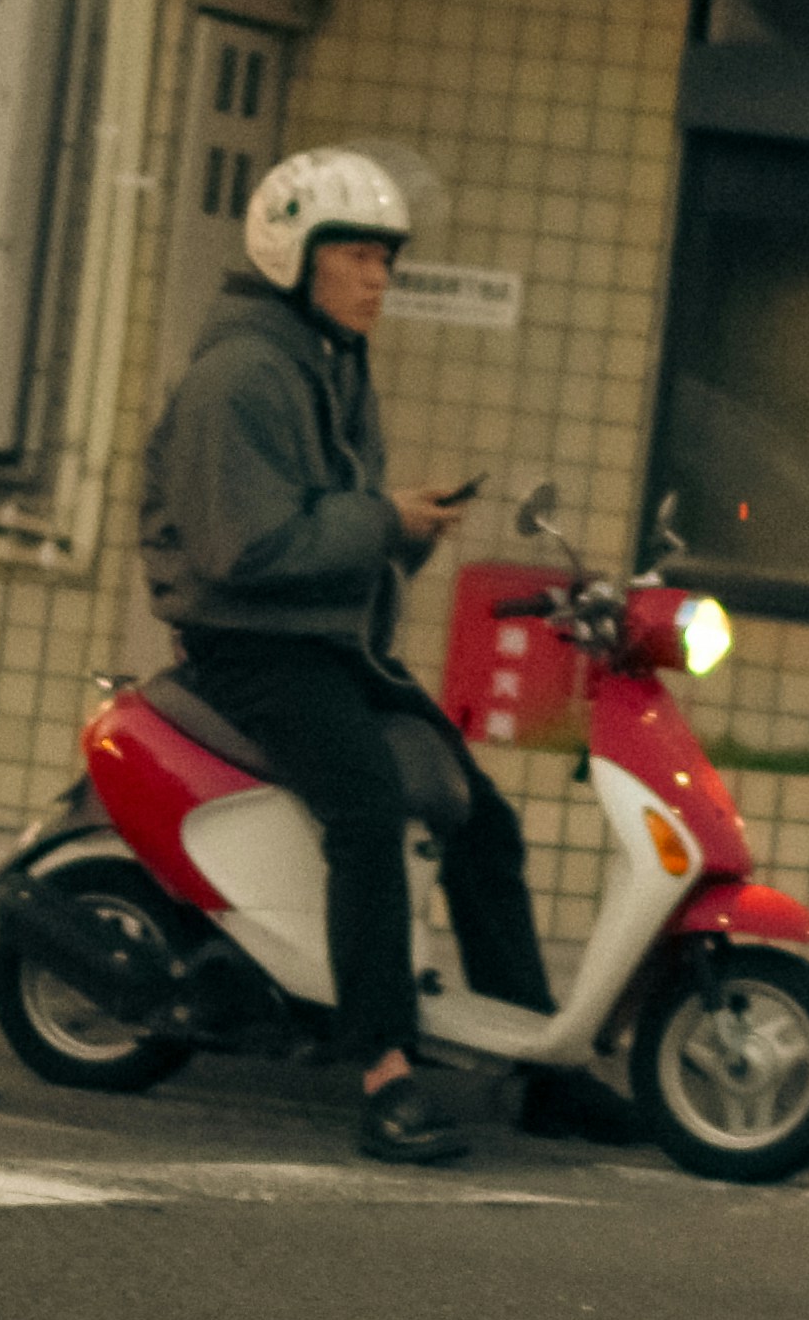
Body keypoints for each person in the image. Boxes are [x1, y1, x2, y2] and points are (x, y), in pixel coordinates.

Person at [138, 145, 554, 1167]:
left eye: (386, 259)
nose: (377, 279)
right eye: (358, 254)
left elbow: (323, 522)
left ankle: (540, 1073)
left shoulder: (326, 363)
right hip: (254, 650)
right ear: (294, 254)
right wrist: (380, 521)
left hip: (326, 646)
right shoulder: (241, 375)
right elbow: (245, 546)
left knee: (484, 822)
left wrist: (398, 528)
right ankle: (383, 1073)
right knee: (368, 814)